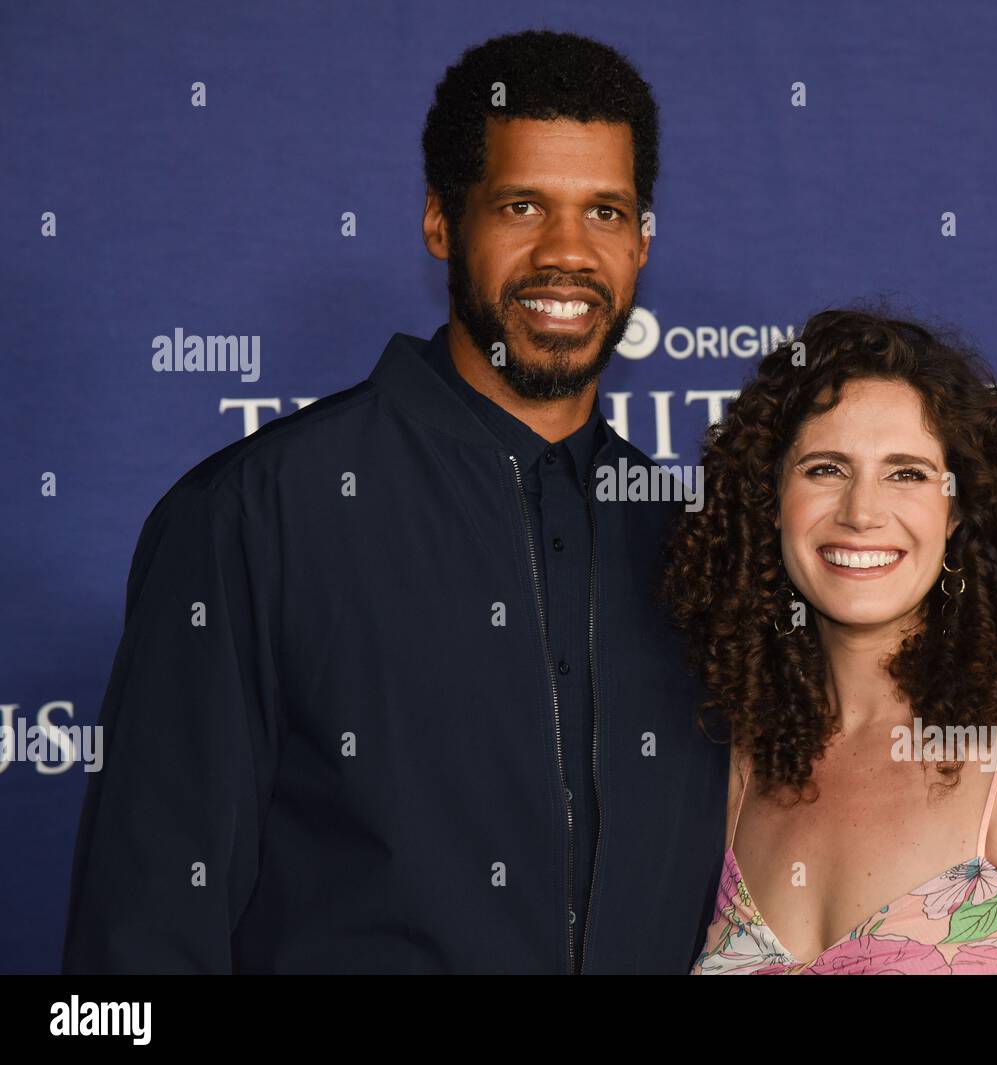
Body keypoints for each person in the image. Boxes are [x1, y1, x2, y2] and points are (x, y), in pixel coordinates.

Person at [61, 29, 728, 975]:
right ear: (441, 224)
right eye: (523, 205)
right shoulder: (257, 516)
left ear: (642, 240)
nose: (567, 253)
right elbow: (141, 940)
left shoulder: (693, 543)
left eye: (606, 212)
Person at [659, 306, 997, 974]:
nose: (860, 512)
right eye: (825, 468)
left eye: (906, 472)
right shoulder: (743, 761)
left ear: (957, 507)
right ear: (770, 499)